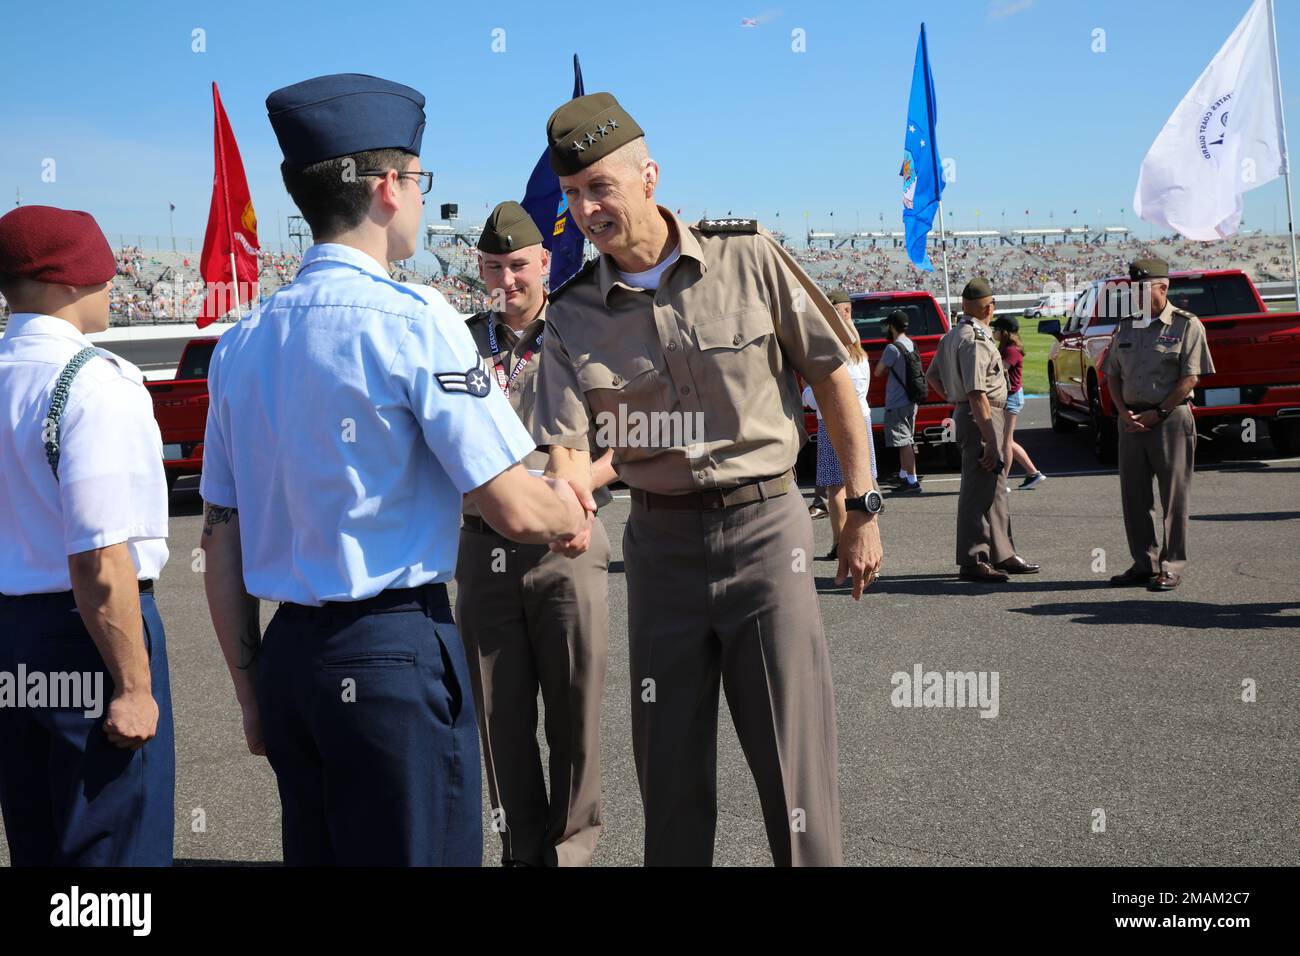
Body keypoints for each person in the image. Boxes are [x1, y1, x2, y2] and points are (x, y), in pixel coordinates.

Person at [198, 73, 591, 867]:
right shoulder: (416, 320)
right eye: (419, 181)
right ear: (388, 186)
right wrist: (568, 507)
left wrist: (251, 688)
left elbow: (221, 534)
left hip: (290, 660)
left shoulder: (241, 342)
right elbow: (512, 505)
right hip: (390, 652)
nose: (419, 199)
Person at [531, 92, 884, 866]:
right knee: (671, 773)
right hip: (659, 544)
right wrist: (565, 502)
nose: (587, 208)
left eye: (601, 186)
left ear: (649, 176)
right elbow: (563, 445)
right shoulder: (571, 313)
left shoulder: (747, 255)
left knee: (797, 775)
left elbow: (833, 374)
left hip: (768, 536)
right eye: (572, 194)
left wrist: (860, 506)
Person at [0, 205, 174, 865]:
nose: (111, 288)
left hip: (13, 633)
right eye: (102, 277)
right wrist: (133, 686)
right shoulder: (94, 385)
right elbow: (101, 561)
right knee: (113, 851)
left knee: (37, 840)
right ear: (70, 283)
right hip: (86, 638)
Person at [456, 201, 616, 866]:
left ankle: (571, 854)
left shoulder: (586, 332)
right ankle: (521, 853)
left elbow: (629, 440)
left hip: (568, 546)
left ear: (545, 262)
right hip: (483, 546)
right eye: (493, 267)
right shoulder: (458, 342)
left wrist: (575, 490)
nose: (506, 279)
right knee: (499, 721)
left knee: (576, 716)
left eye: (518, 265)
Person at [1102, 257, 1214, 592]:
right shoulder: (1125, 325)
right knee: (1134, 498)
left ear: (1163, 288)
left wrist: (1159, 413)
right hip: (1131, 421)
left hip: (1170, 419)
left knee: (1173, 497)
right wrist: (1122, 412)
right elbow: (1112, 375)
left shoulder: (1186, 325)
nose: (1134, 294)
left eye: (1142, 288)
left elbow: (1190, 377)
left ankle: (1171, 564)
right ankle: (1143, 563)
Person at [927, 277, 1040, 583]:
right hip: (983, 416)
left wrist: (954, 396)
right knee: (979, 490)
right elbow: (977, 393)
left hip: (978, 414)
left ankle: (1002, 552)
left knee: (996, 487)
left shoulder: (952, 336)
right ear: (989, 308)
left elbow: (932, 376)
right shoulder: (974, 339)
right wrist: (990, 438)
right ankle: (974, 558)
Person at [802, 290, 877, 561]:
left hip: (831, 422)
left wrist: (806, 390)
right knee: (865, 483)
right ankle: (866, 538)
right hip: (862, 419)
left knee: (836, 486)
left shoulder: (829, 352)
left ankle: (839, 541)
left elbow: (813, 398)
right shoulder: (861, 355)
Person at [989, 315, 1045, 490]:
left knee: (1006, 442)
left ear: (1004, 331)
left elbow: (998, 370)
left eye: (996, 329)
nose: (993, 332)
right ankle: (1033, 473)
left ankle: (1003, 480)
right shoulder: (1008, 348)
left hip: (1012, 397)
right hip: (1011, 397)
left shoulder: (1012, 350)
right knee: (1009, 441)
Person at [874, 309, 922, 493]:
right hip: (911, 400)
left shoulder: (893, 348)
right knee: (907, 438)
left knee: (904, 443)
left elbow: (879, 371)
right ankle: (904, 476)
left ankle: (912, 481)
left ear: (893, 326)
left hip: (897, 401)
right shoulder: (911, 344)